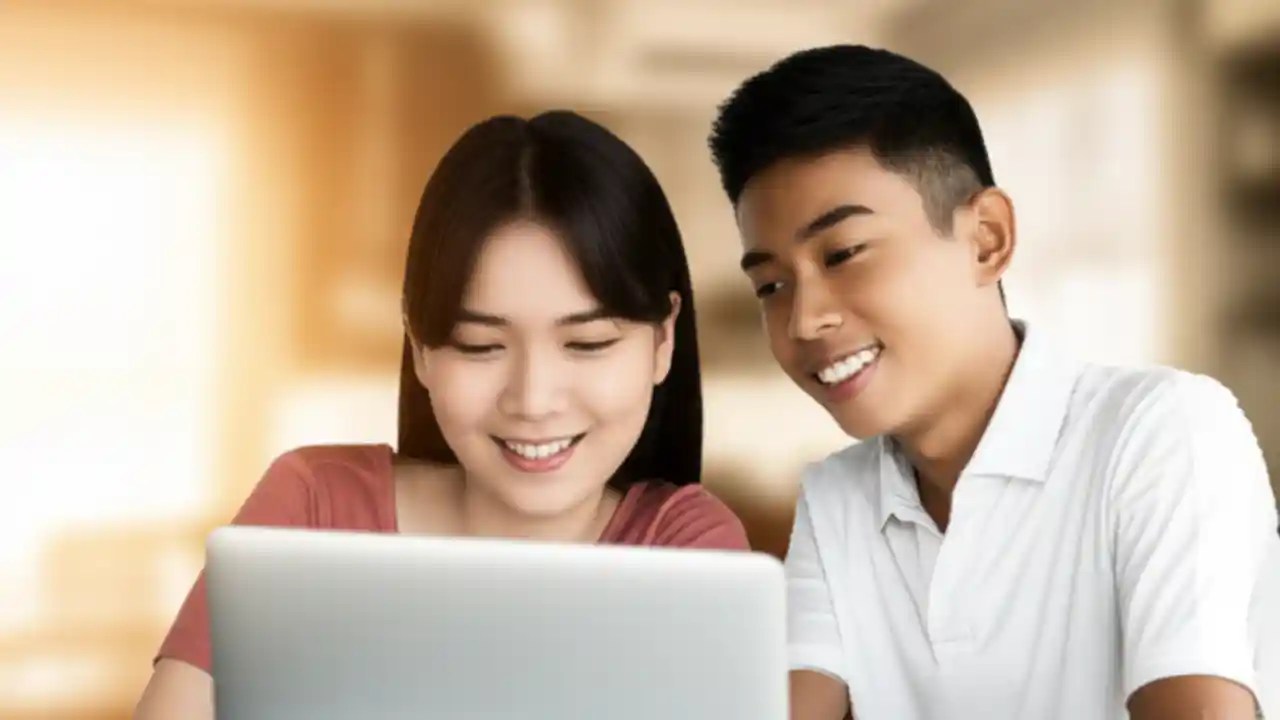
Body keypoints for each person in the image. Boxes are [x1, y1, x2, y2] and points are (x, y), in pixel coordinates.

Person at [707, 44, 1278, 720]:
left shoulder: (1164, 430)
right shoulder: (837, 499)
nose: (805, 319)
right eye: (770, 284)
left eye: (844, 253)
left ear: (986, 238)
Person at [135, 110, 750, 719]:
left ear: (663, 340)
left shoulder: (686, 551)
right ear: (421, 348)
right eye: (481, 346)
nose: (533, 400)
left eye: (587, 344)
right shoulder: (312, 507)